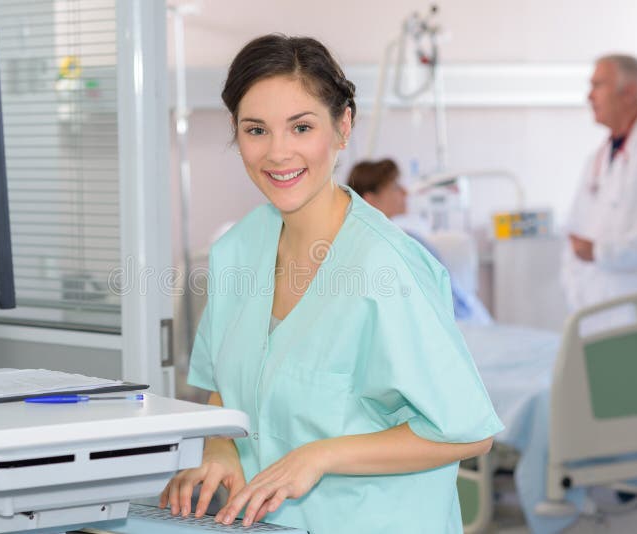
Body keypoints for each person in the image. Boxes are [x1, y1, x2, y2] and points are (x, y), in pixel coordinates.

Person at [160, 34, 503, 533]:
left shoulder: (385, 268)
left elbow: (468, 433)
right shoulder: (238, 250)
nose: (278, 153)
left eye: (301, 127)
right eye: (256, 130)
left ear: (343, 128)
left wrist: (318, 457)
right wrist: (220, 449)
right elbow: (223, 389)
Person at [562, 54, 637, 324]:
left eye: (598, 85)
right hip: (592, 312)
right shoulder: (596, 160)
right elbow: (573, 237)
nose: (589, 97)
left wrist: (600, 252)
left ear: (630, 92)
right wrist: (575, 294)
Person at [347, 159, 492, 324]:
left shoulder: (359, 243)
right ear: (369, 200)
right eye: (394, 187)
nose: (405, 192)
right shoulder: (401, 243)